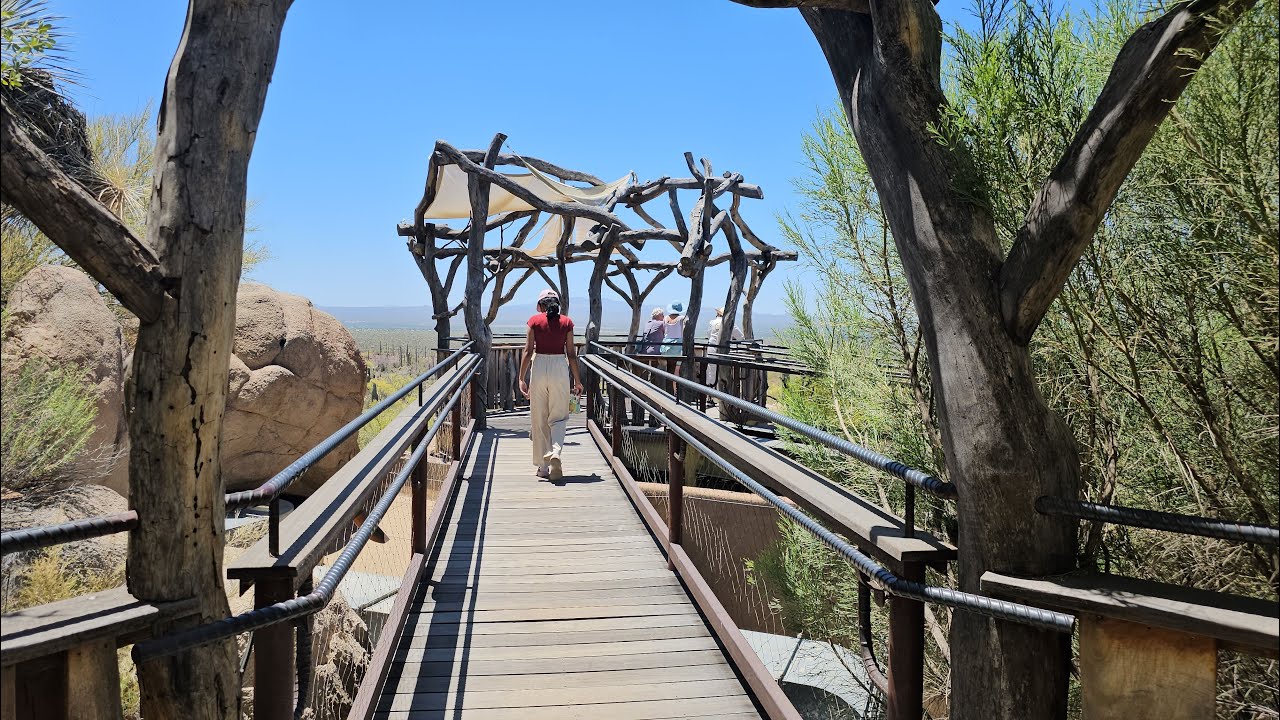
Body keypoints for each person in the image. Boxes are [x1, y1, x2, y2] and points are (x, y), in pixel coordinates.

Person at [518, 289, 583, 480]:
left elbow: (528, 351)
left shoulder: (534, 322)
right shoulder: (567, 323)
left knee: (539, 418)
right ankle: (555, 452)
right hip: (559, 368)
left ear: (540, 306)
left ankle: (543, 468)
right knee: (559, 416)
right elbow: (571, 354)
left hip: (538, 368)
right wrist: (577, 381)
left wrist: (522, 378)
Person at [706, 307, 744, 387]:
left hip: (712, 347)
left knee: (711, 370)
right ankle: (724, 390)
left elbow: (709, 335)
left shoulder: (712, 322)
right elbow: (740, 337)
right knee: (724, 370)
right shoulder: (730, 323)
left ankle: (710, 390)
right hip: (724, 350)